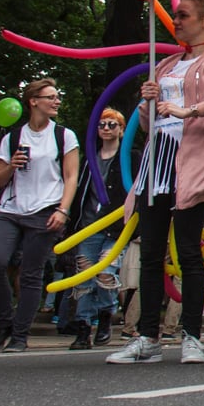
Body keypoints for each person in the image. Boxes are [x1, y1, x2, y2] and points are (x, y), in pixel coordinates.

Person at [107, 0, 204, 365]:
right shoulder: (164, 65)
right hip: (158, 164)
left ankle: (192, 336)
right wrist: (148, 102)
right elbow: (151, 126)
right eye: (175, 15)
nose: (176, 21)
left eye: (184, 15)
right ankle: (147, 338)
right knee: (151, 252)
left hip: (195, 165)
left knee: (188, 253)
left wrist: (191, 111)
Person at [0, 78, 81, 354]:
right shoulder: (13, 138)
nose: (56, 101)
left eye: (57, 97)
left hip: (46, 210)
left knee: (30, 273)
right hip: (11, 209)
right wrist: (11, 165)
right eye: (50, 97)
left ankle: (19, 336)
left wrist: (63, 209)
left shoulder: (64, 136)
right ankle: (5, 323)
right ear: (33, 101)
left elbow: (71, 176)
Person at [67, 108, 136, 349]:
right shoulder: (88, 161)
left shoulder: (130, 159)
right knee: (84, 278)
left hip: (116, 228)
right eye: (102, 125)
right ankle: (83, 328)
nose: (106, 129)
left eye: (112, 125)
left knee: (106, 273)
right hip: (88, 226)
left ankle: (106, 314)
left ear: (121, 129)